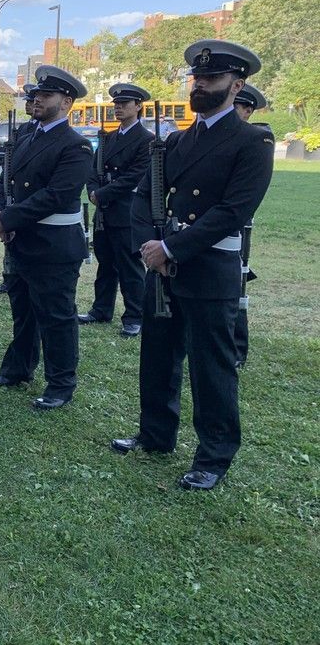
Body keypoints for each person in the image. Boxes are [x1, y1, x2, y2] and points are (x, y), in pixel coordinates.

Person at [112, 40, 274, 490]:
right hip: (163, 264)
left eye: (211, 79)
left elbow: (233, 211)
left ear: (236, 84)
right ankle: (156, 434)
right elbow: (144, 197)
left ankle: (214, 456)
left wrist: (173, 248)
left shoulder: (252, 139)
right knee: (158, 355)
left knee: (210, 365)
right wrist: (150, 245)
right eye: (197, 78)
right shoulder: (176, 141)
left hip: (207, 266)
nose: (200, 85)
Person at [0, 65, 93, 410]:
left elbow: (56, 195)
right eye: (35, 94)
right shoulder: (28, 136)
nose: (36, 99)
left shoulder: (76, 146)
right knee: (24, 311)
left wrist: (9, 218)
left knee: (56, 316)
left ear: (67, 102)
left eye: (45, 95)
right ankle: (18, 369)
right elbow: (6, 180)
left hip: (54, 244)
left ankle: (60, 383)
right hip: (21, 238)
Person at [78, 84, 153, 337]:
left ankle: (135, 316)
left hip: (125, 210)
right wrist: (92, 190)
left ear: (138, 106)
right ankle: (101, 309)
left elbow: (134, 176)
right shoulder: (109, 137)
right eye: (116, 105)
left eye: (124, 104)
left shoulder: (146, 140)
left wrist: (101, 193)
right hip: (104, 210)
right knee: (105, 263)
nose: (118, 108)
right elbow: (93, 168)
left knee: (129, 266)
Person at [232, 82, 270, 367]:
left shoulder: (257, 138)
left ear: (247, 111)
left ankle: (237, 347)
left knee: (238, 284)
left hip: (238, 226)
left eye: (237, 106)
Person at [0, 84, 39, 295]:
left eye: (32, 100)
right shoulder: (24, 130)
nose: (30, 105)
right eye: (28, 101)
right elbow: (6, 173)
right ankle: (9, 276)